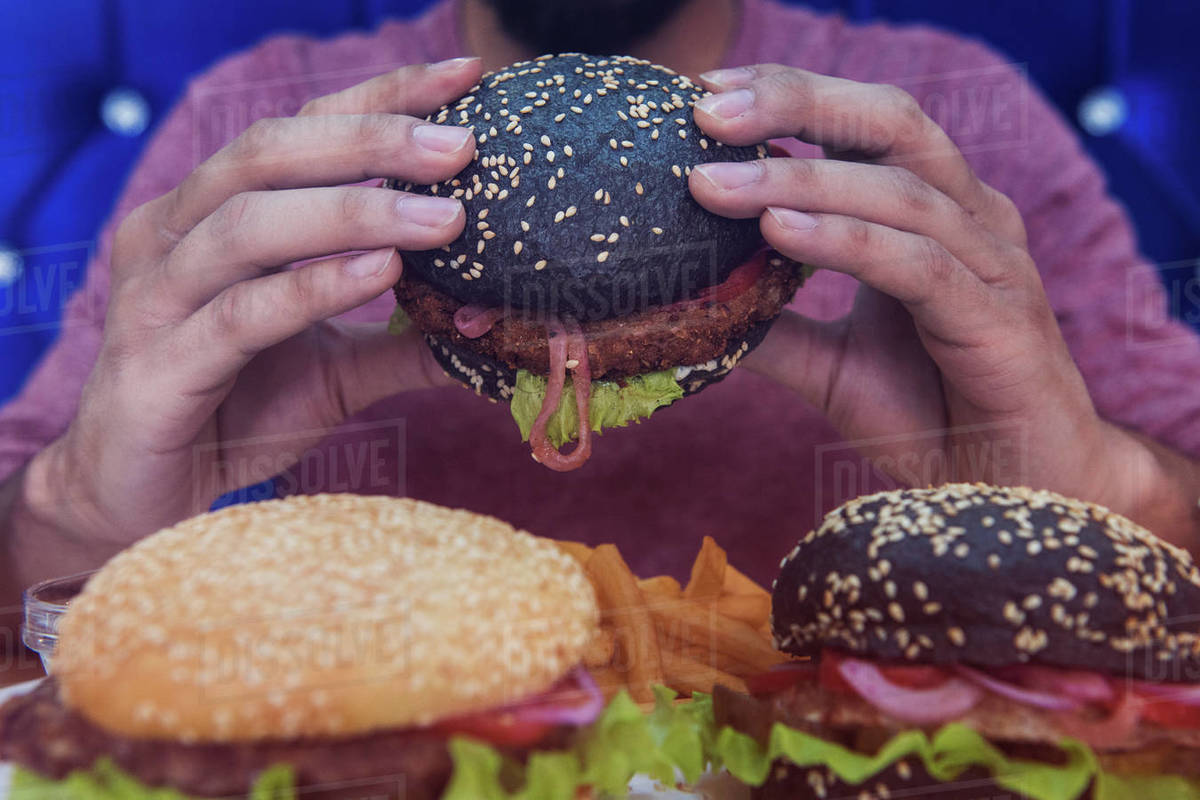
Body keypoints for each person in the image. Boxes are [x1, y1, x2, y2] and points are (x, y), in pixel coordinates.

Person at [2, 0, 1199, 623]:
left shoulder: (939, 124)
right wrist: (77, 517)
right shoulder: (261, 135)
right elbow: (27, 543)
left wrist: (1099, 488)